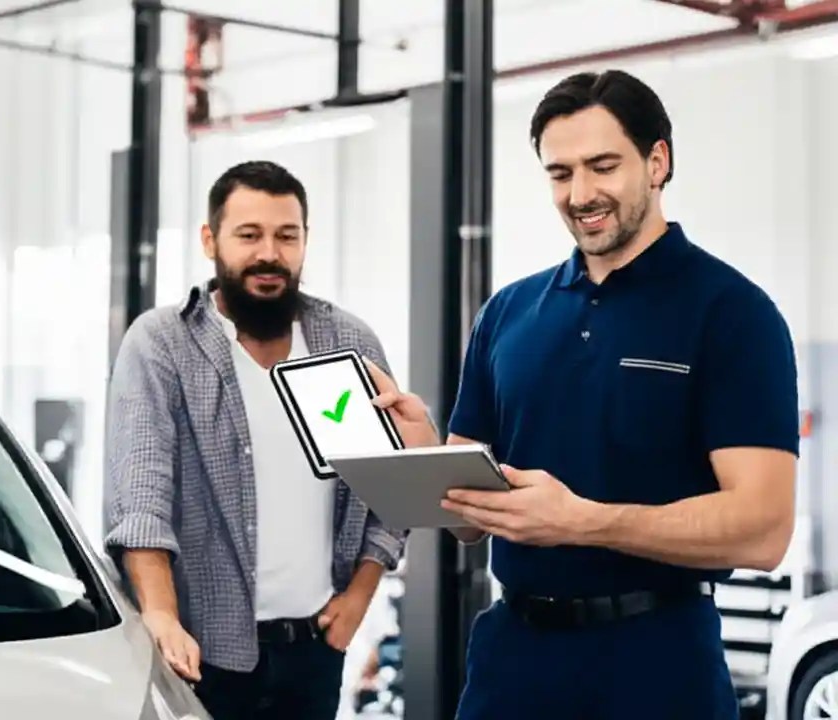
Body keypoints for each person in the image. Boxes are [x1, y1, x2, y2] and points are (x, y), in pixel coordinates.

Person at [368, 69, 799, 718]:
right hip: (510, 664)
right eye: (559, 172)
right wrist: (428, 456)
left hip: (657, 665)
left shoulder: (732, 314)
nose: (581, 193)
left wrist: (584, 522)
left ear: (658, 163)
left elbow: (763, 531)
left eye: (603, 166)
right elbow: (468, 524)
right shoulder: (508, 314)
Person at [102, 160, 437, 720]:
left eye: (287, 236)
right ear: (211, 240)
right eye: (249, 235)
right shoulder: (163, 343)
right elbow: (141, 493)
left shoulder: (347, 341)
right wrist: (159, 615)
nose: (269, 254)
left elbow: (387, 486)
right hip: (196, 650)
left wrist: (360, 595)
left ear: (306, 240)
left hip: (314, 650)